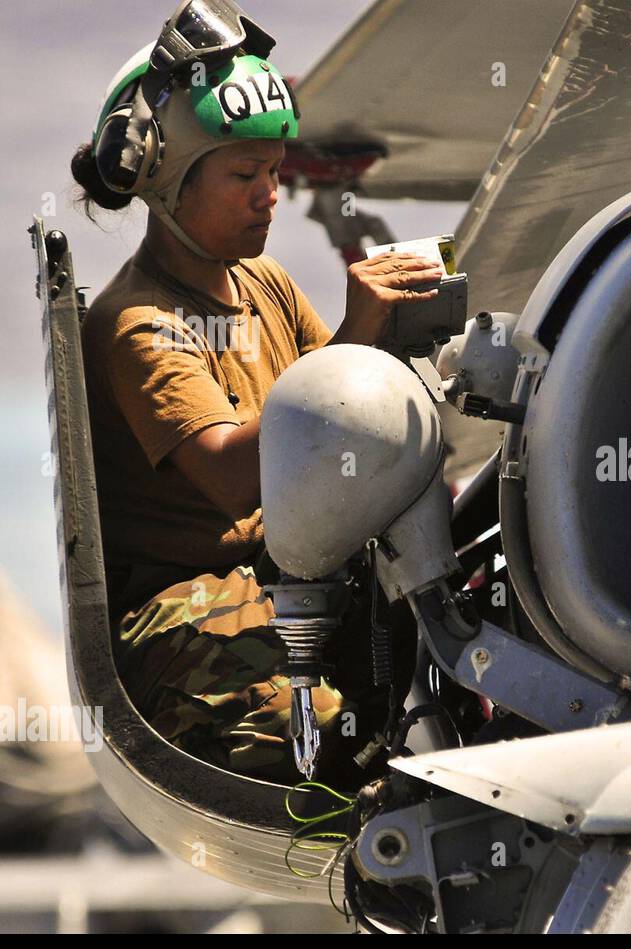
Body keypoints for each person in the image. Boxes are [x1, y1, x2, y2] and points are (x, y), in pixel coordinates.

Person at [69, 4, 441, 785]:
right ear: (169, 182)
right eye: (244, 175)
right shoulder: (138, 322)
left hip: (286, 581)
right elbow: (237, 478)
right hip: (181, 614)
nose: (270, 195)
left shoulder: (264, 285)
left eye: (274, 173)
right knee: (331, 735)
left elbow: (342, 413)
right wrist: (355, 335)